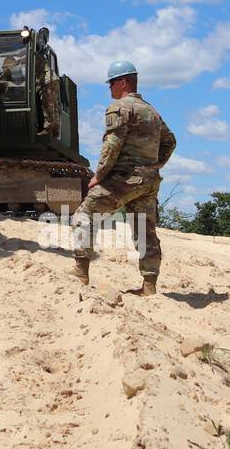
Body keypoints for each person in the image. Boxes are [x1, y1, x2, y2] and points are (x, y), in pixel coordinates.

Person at [70, 61, 176, 296]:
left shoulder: (120, 107)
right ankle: (149, 286)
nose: (109, 89)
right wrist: (155, 165)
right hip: (149, 182)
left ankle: (80, 273)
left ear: (123, 82)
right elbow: (170, 141)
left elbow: (113, 144)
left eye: (111, 83)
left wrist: (99, 175)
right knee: (145, 230)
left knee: (84, 215)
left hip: (124, 179)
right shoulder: (152, 112)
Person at [35, 27, 60, 138]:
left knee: (48, 103)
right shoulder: (22, 53)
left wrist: (41, 39)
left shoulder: (38, 46)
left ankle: (49, 129)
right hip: (39, 80)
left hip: (47, 79)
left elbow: (41, 44)